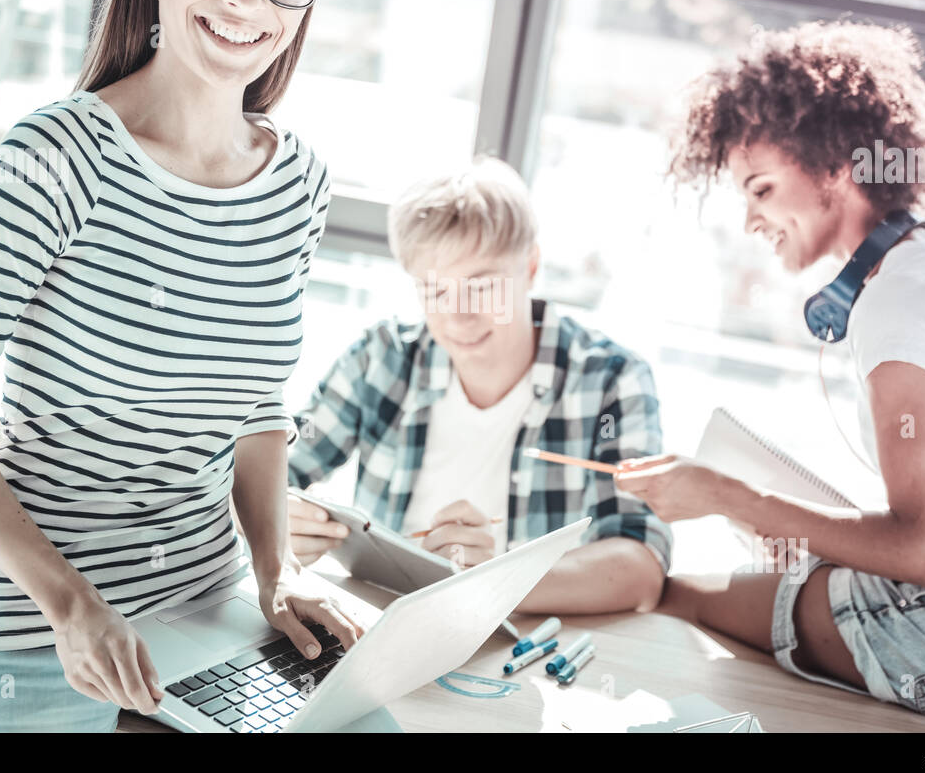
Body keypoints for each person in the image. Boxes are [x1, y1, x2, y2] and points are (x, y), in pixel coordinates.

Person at [0, 0, 362, 732]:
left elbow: (257, 408)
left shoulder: (298, 183)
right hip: (30, 640)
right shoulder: (53, 159)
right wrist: (72, 605)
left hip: (206, 625)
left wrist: (277, 568)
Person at [616, 20, 925, 721]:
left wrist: (727, 494)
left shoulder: (896, 299)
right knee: (778, 572)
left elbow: (920, 551)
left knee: (682, 589)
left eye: (760, 188)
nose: (752, 220)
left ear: (837, 168)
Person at [285, 157, 672, 614]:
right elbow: (275, 471)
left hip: (525, 652)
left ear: (530, 267)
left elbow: (640, 565)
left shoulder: (611, 380)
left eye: (482, 287)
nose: (457, 317)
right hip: (383, 626)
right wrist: (280, 521)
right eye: (435, 291)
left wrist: (498, 579)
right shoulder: (382, 359)